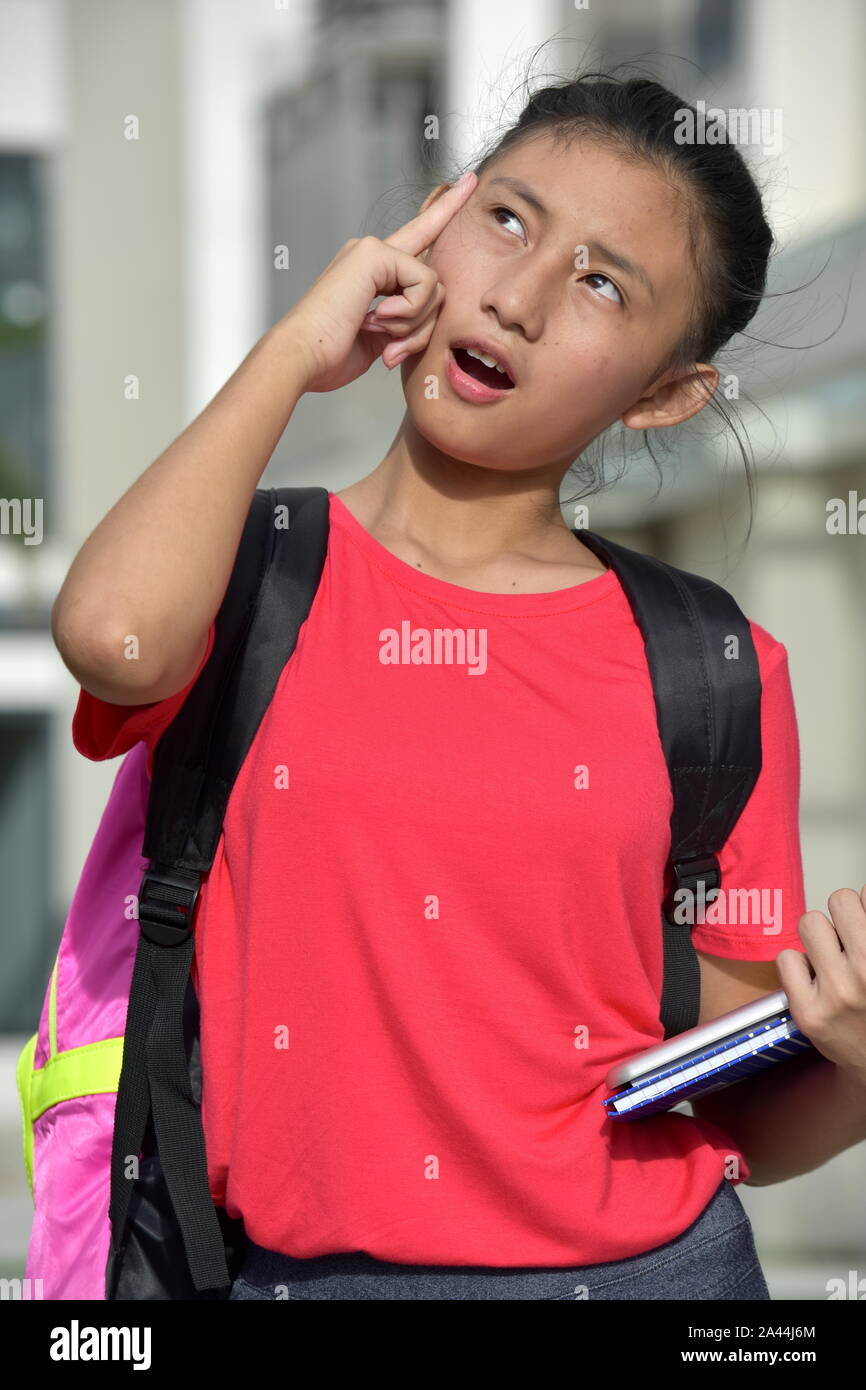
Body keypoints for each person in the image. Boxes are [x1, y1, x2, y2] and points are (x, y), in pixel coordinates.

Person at [52, 65, 866, 1302]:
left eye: (601, 281)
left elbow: (729, 1117)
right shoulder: (247, 570)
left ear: (663, 395)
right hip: (279, 1278)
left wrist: (855, 1067)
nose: (522, 298)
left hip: (655, 1280)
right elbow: (112, 639)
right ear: (438, 217)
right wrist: (297, 347)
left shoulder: (711, 665)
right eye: (508, 220)